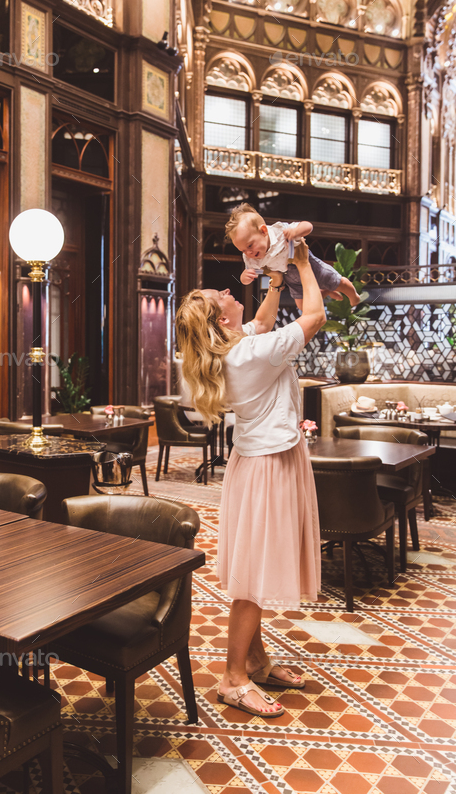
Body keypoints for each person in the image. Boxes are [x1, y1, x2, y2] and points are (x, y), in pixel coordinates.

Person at [175, 240, 326, 718]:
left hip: (258, 461)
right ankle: (233, 678)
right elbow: (315, 317)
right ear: (222, 320)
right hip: (267, 468)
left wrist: (276, 281)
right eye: (222, 296)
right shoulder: (252, 354)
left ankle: (256, 661)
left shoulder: (236, 348)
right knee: (253, 578)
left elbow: (262, 318)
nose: (227, 290)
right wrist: (302, 263)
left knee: (254, 569)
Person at [225, 203, 361, 311]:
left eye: (250, 246)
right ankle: (325, 291)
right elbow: (250, 273)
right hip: (289, 278)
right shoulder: (251, 258)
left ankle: (354, 296)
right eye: (242, 250)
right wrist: (244, 277)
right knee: (303, 305)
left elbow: (308, 226)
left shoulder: (280, 232)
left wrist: (296, 231)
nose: (248, 253)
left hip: (309, 265)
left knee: (339, 283)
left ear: (263, 231)